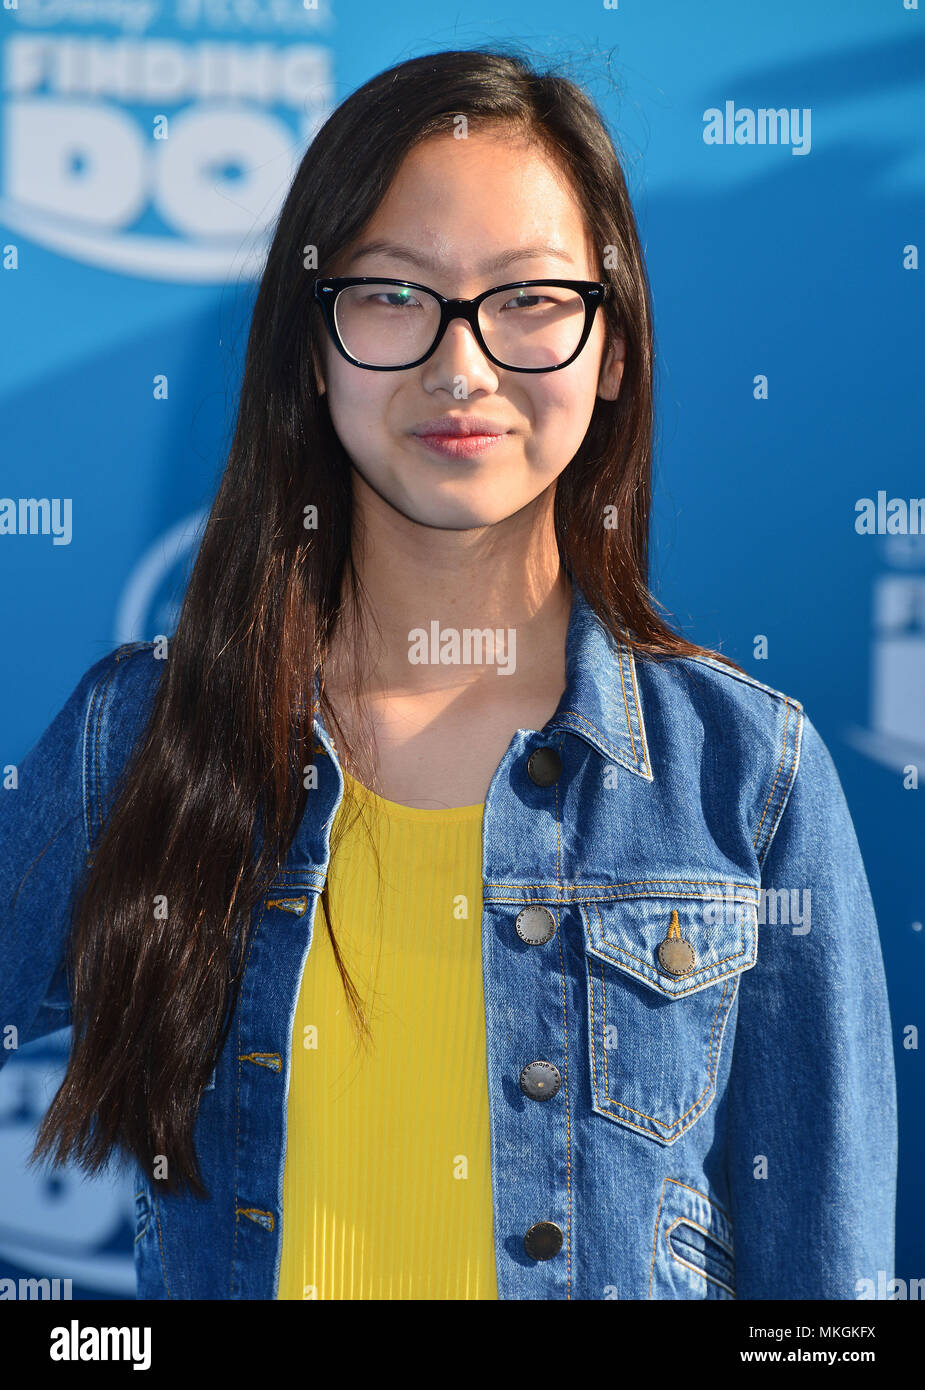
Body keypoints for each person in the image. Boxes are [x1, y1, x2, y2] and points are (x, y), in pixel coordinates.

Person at [0, 46, 896, 1301]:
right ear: (311, 348)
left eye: (530, 297)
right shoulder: (143, 734)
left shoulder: (751, 785)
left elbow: (824, 1302)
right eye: (392, 293)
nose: (461, 364)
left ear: (614, 347)